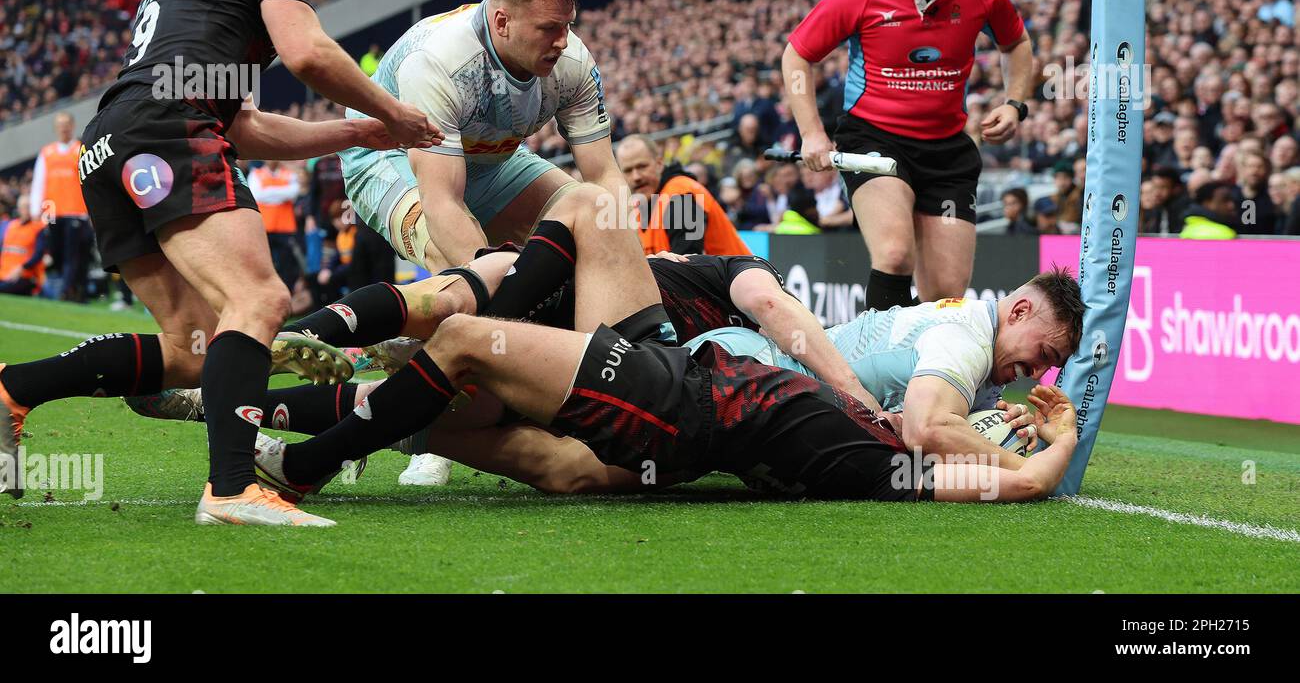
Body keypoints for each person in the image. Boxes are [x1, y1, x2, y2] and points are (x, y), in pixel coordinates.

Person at [1, 0, 438, 519]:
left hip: (112, 140)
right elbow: (308, 53)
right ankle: (231, 489)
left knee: (191, 348)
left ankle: (13, 392)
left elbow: (244, 128)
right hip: (166, 129)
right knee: (258, 297)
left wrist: (353, 130)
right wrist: (393, 113)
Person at [250, 180, 1081, 505]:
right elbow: (919, 418)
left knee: (553, 458)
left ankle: (345, 407)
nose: (1037, 371)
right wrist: (1032, 446)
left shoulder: (874, 441)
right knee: (493, 297)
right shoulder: (732, 277)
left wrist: (1026, 445)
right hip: (669, 375)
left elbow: (935, 437)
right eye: (1044, 351)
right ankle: (347, 386)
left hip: (679, 400)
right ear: (1014, 312)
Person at [783, 0, 1033, 311]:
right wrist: (812, 133)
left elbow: (1017, 43)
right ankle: (877, 366)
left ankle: (916, 364)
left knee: (946, 293)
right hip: (873, 139)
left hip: (947, 147)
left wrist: (1014, 103)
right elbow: (796, 54)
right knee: (895, 254)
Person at [337, 0, 625, 276]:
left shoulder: (574, 63)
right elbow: (442, 200)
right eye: (549, 28)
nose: (562, 42)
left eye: (567, 26)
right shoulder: (440, 62)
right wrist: (498, 285)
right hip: (393, 155)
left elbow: (604, 175)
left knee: (591, 220)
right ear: (502, 22)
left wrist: (637, 255)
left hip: (487, 157)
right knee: (454, 257)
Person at [616, 134, 751, 255]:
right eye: (628, 170)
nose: (636, 177)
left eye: (642, 166)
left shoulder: (681, 195)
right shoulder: (638, 206)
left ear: (659, 163)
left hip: (737, 281)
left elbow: (688, 268)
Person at [29, 112, 92, 302]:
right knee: (55, 253)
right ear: (56, 127)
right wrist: (35, 209)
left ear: (72, 126)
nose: (64, 127)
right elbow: (39, 181)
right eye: (60, 124)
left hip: (76, 212)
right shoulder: (47, 152)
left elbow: (89, 182)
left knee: (71, 253)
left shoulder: (81, 149)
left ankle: (66, 291)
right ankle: (68, 288)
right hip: (52, 212)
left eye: (66, 124)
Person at [249, 160, 302, 291]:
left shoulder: (289, 174)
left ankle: (288, 293)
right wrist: (281, 194)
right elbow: (257, 195)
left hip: (285, 228)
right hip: (264, 228)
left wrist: (268, 192)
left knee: (287, 264)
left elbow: (294, 192)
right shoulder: (256, 173)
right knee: (266, 264)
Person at [0, 196, 47, 297]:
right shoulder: (10, 226)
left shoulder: (38, 228)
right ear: (19, 209)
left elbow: (38, 255)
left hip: (24, 276)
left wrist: (22, 268)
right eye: (24, 207)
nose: (26, 210)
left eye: (28, 207)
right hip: (4, 272)